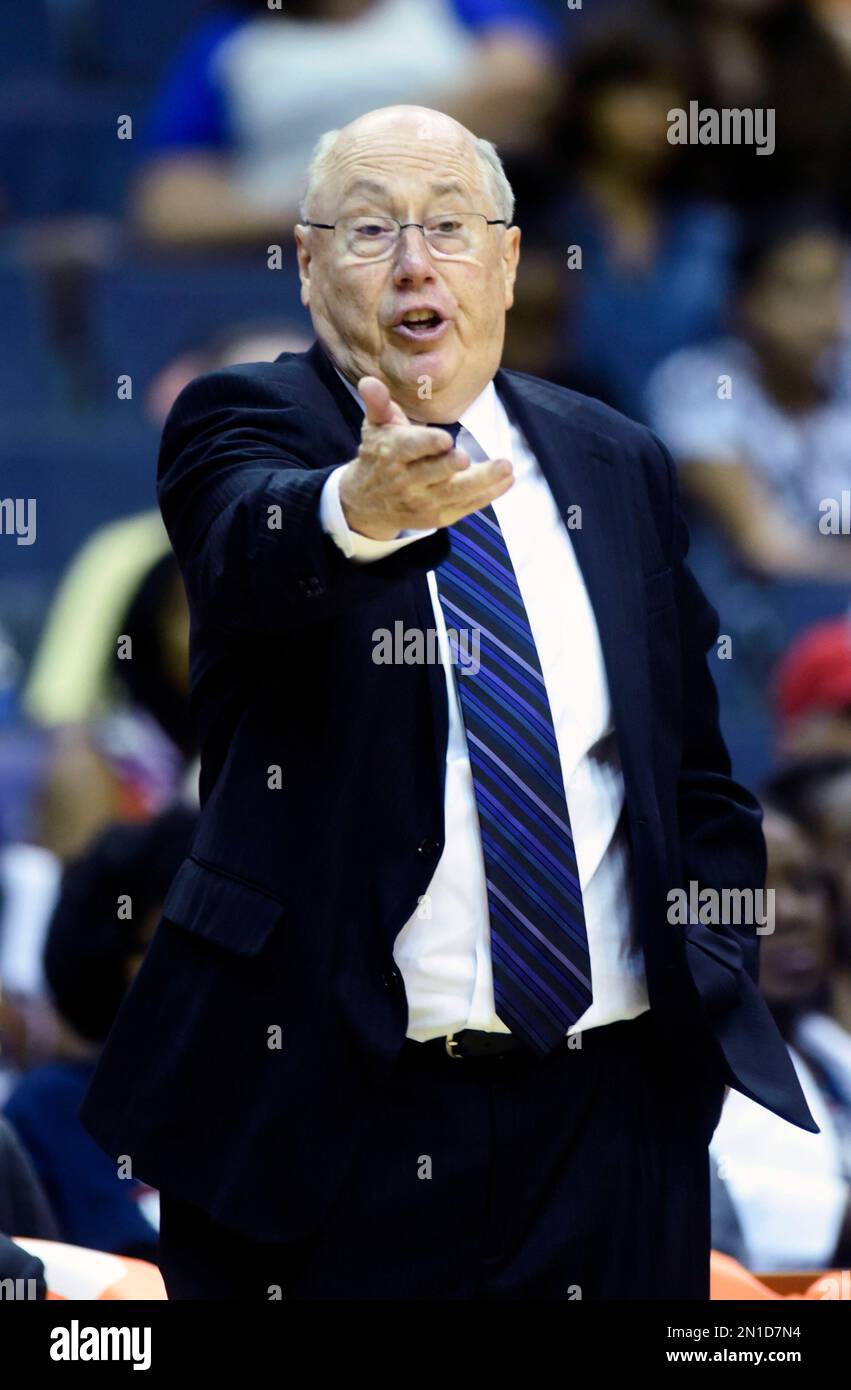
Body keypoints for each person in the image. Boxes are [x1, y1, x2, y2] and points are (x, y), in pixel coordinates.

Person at [81, 104, 814, 1301]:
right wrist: (352, 512)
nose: (414, 261)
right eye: (370, 230)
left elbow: (687, 768)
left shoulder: (609, 457)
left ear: (510, 262)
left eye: (448, 227)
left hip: (605, 1119)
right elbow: (242, 541)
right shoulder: (250, 421)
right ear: (309, 265)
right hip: (337, 1119)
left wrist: (703, 964)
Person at [133, 0, 559, 248]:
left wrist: (364, 172)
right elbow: (168, 204)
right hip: (298, 251)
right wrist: (324, 210)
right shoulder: (231, 40)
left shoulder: (449, 7)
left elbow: (521, 80)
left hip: (444, 235)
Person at [646, 207, 851, 581]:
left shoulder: (843, 380)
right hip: (750, 620)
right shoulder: (698, 385)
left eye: (832, 288)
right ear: (744, 301)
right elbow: (767, 547)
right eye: (798, 292)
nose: (823, 316)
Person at [710, 807, 851, 1270]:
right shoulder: (687, 1070)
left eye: (805, 884)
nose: (788, 913)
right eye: (754, 892)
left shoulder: (825, 1046)